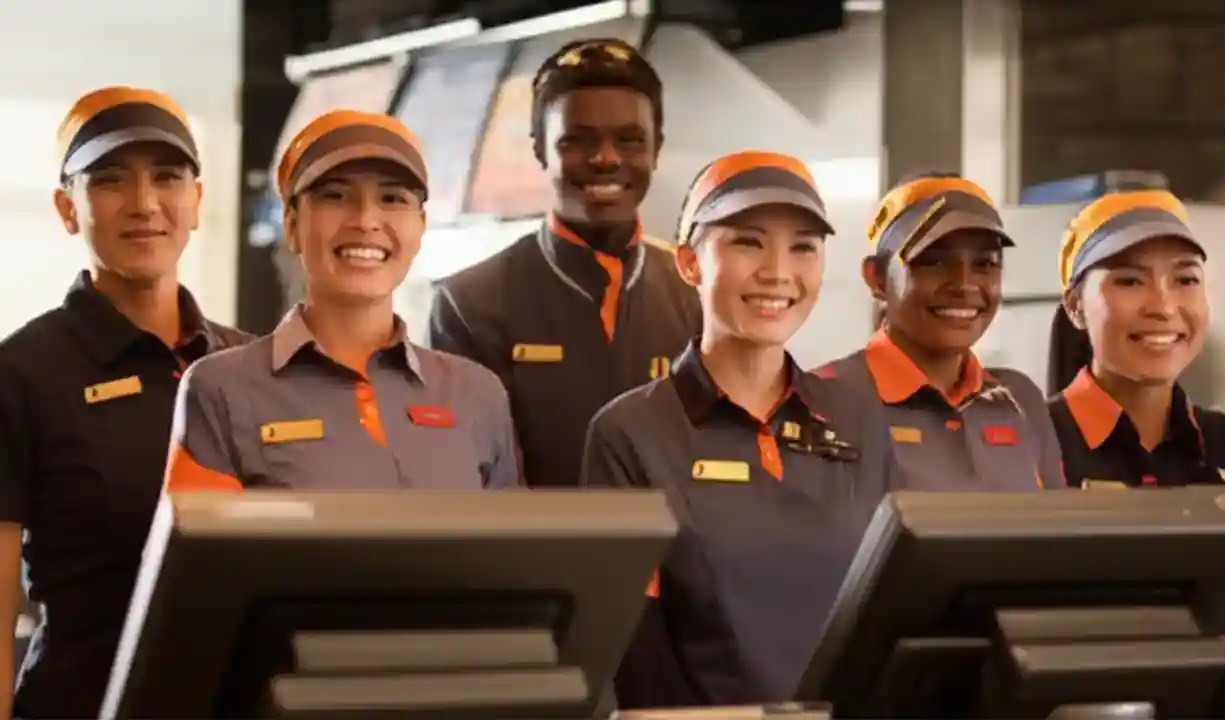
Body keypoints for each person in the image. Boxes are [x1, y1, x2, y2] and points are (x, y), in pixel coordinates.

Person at [580, 151, 887, 707]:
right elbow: (634, 650)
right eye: (748, 241)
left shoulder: (859, 422)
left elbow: (884, 617)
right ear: (690, 263)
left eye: (803, 247)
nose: (778, 271)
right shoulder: (630, 434)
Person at [0, 86, 253, 719]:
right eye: (110, 181)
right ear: (67, 208)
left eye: (167, 177)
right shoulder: (21, 373)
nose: (144, 204)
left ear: (196, 200)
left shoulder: (250, 365)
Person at [165, 110, 519, 492]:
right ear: (292, 224)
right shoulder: (221, 390)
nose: (366, 219)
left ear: (420, 226)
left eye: (391, 198)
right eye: (335, 196)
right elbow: (199, 551)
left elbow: (506, 549)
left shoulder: (477, 394)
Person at [429, 38, 700, 488]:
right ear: (539, 149)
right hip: (531, 558)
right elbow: (468, 484)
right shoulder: (469, 306)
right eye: (578, 140)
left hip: (673, 558)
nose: (606, 159)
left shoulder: (699, 296)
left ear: (657, 149)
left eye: (629, 141)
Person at [1044, 189, 1225, 644]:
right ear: (1075, 306)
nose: (1163, 306)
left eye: (1185, 280)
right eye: (1130, 281)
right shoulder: (1029, 442)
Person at [815, 172, 1061, 492]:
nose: (963, 284)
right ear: (876, 278)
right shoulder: (823, 400)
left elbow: (1054, 534)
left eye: (984, 264)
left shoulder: (1019, 398)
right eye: (934, 262)